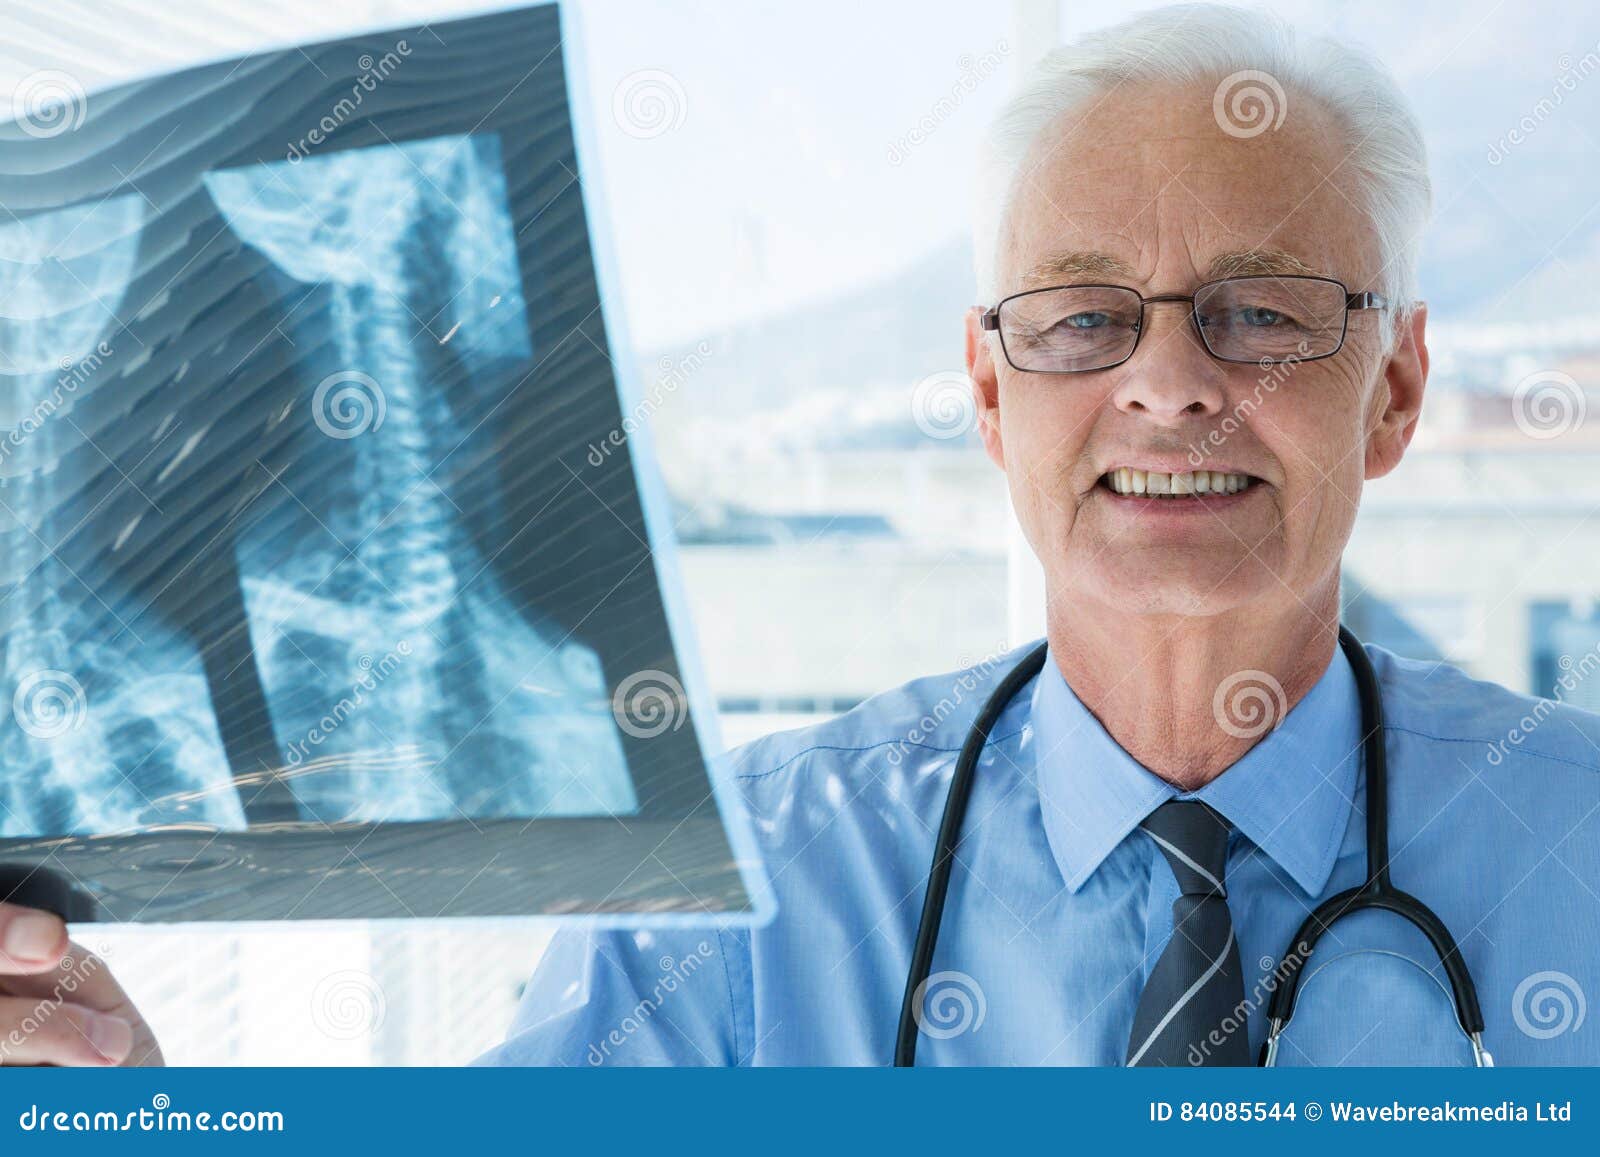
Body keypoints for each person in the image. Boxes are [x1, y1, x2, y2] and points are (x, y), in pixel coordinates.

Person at [4, 2, 1597, 1068]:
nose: (1167, 383)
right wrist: (144, 1105)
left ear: (1393, 393)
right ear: (989, 393)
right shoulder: (744, 902)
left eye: (1263, 313)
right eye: (1080, 318)